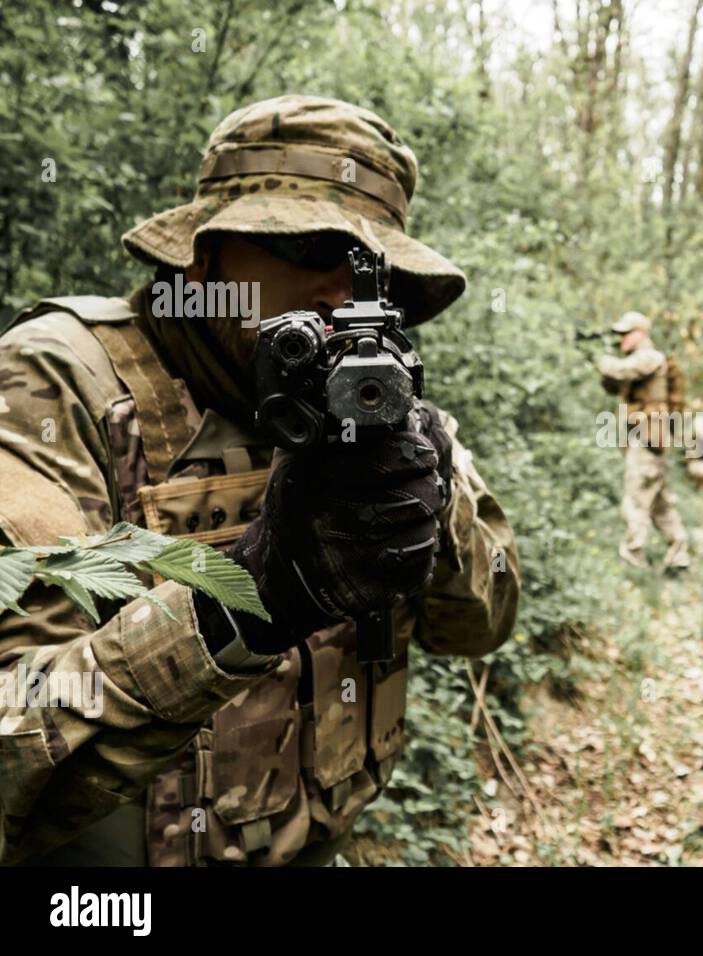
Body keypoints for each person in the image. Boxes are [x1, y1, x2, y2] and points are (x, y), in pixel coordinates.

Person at [0, 95, 520, 866]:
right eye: (310, 248)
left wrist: (435, 506)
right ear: (203, 259)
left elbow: (480, 627)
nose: (342, 293)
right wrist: (251, 595)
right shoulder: (61, 382)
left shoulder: (383, 407)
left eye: (375, 273)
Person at [595, 311, 690, 573]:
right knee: (661, 503)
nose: (621, 339)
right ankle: (678, 555)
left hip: (647, 440)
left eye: (625, 334)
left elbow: (621, 370)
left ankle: (633, 558)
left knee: (636, 500)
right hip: (650, 440)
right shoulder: (639, 359)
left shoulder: (649, 356)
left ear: (640, 333)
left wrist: (600, 358)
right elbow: (612, 385)